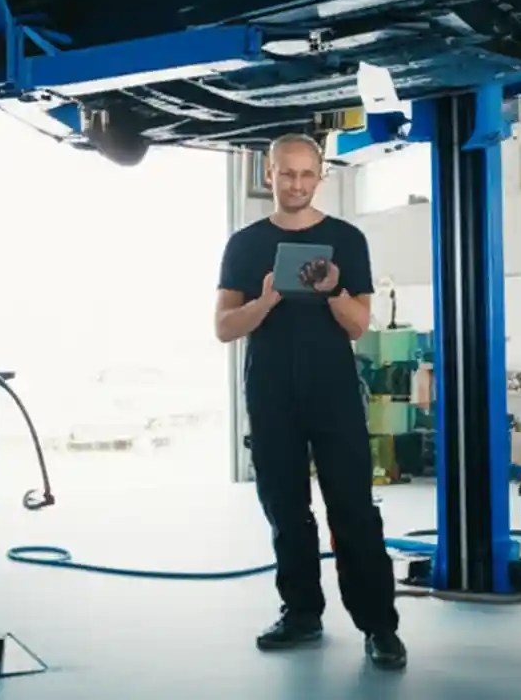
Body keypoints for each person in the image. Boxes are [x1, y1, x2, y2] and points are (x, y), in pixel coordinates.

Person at [214, 133, 406, 670]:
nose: (296, 184)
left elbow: (358, 325)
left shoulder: (346, 240)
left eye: (306, 174)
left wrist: (332, 291)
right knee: (285, 509)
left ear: (320, 176)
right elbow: (224, 327)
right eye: (287, 173)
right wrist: (268, 298)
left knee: (354, 509)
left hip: (333, 392)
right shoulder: (245, 244)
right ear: (268, 175)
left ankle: (380, 626)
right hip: (271, 392)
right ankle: (301, 612)